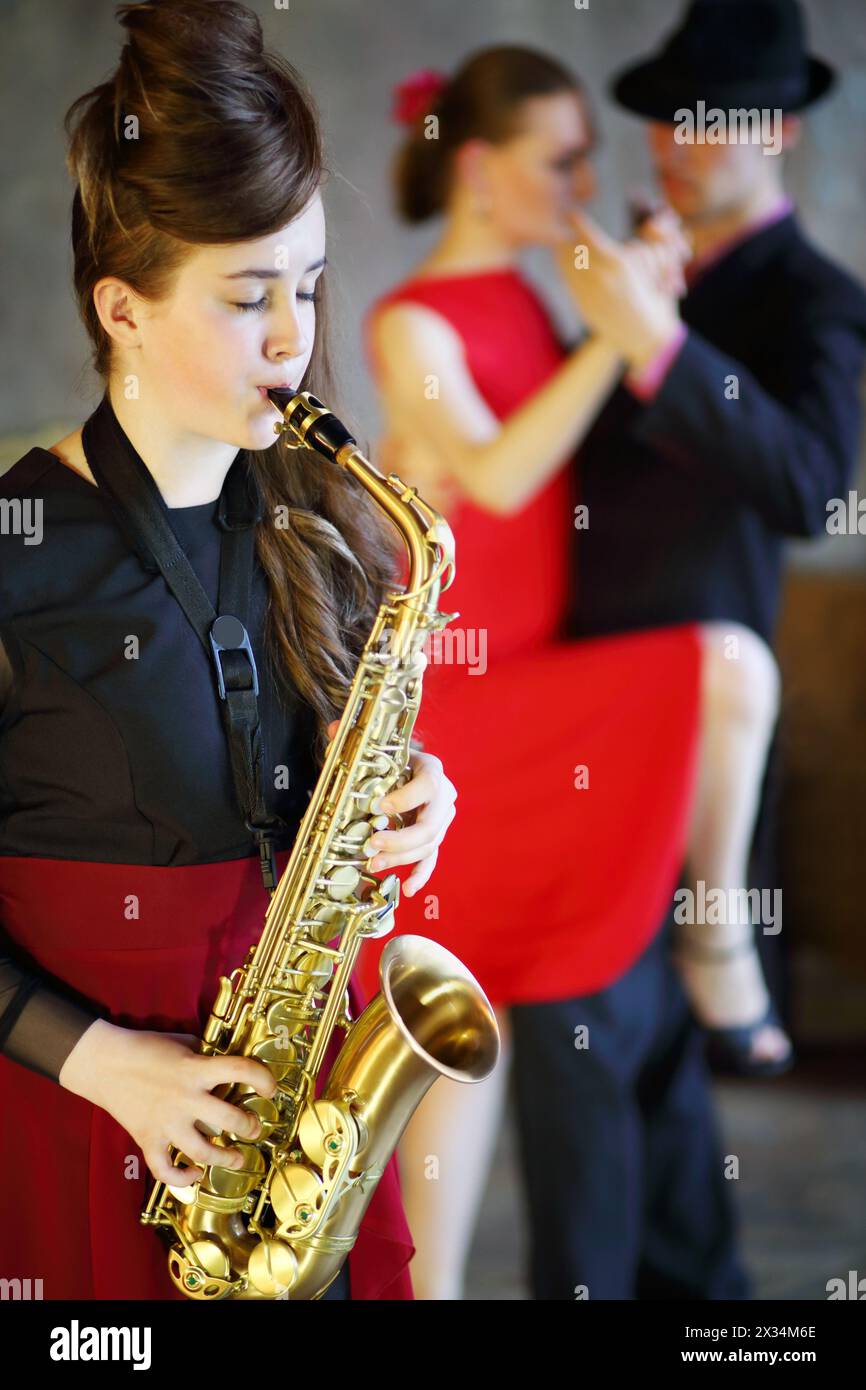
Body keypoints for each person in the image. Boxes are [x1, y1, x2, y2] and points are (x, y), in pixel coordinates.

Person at [0, 0, 460, 1302]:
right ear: (121, 309)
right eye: (248, 294)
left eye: (307, 286)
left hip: (291, 1123)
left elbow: (345, 796)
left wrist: (415, 806)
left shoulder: (326, 520)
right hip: (81, 1126)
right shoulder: (15, 554)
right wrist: (104, 1063)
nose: (292, 338)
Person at [356, 47, 749, 1300]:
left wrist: (614, 322)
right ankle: (718, 939)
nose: (584, 179)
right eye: (561, 159)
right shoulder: (409, 318)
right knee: (458, 1041)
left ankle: (717, 935)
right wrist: (620, 329)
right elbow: (503, 475)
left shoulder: (526, 304)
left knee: (487, 1019)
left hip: (535, 695)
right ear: (481, 167)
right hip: (466, 711)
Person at [558, 0, 866, 1075]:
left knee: (651, 1059)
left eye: (705, 121)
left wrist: (656, 342)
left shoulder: (815, 302)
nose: (671, 144)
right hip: (574, 705)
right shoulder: (641, 268)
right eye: (660, 120)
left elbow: (810, 487)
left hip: (700, 728)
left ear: (777, 130)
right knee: (607, 1061)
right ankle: (675, 1258)